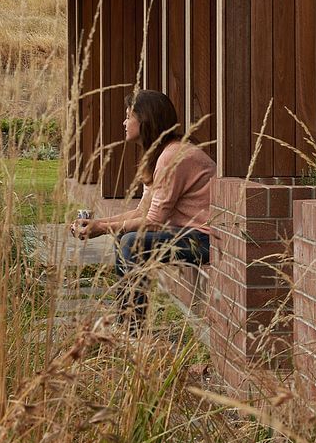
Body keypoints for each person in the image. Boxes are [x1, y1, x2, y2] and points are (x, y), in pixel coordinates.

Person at [72, 89, 213, 326]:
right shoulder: (159, 155)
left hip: (205, 240)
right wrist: (97, 224)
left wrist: (102, 229)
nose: (124, 122)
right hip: (188, 233)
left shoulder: (172, 156)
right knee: (125, 238)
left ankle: (132, 328)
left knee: (131, 242)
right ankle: (128, 323)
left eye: (129, 116)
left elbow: (154, 222)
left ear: (145, 120)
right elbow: (142, 212)